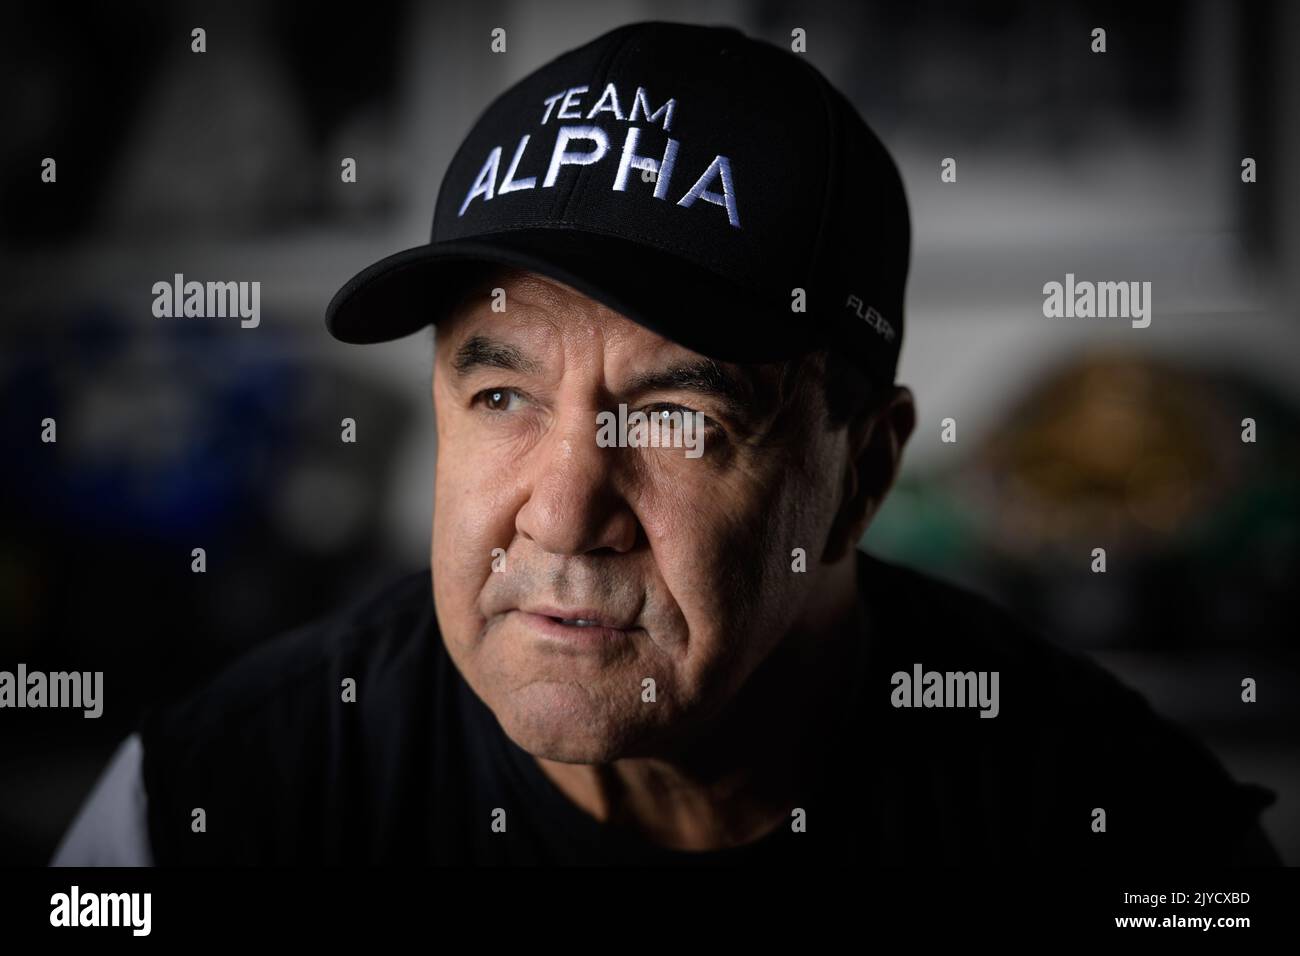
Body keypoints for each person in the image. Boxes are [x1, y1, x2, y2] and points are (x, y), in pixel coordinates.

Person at [52, 20, 1279, 866]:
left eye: (680, 418)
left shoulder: (1124, 822)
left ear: (861, 475)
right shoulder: (205, 804)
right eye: (500, 397)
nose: (562, 510)